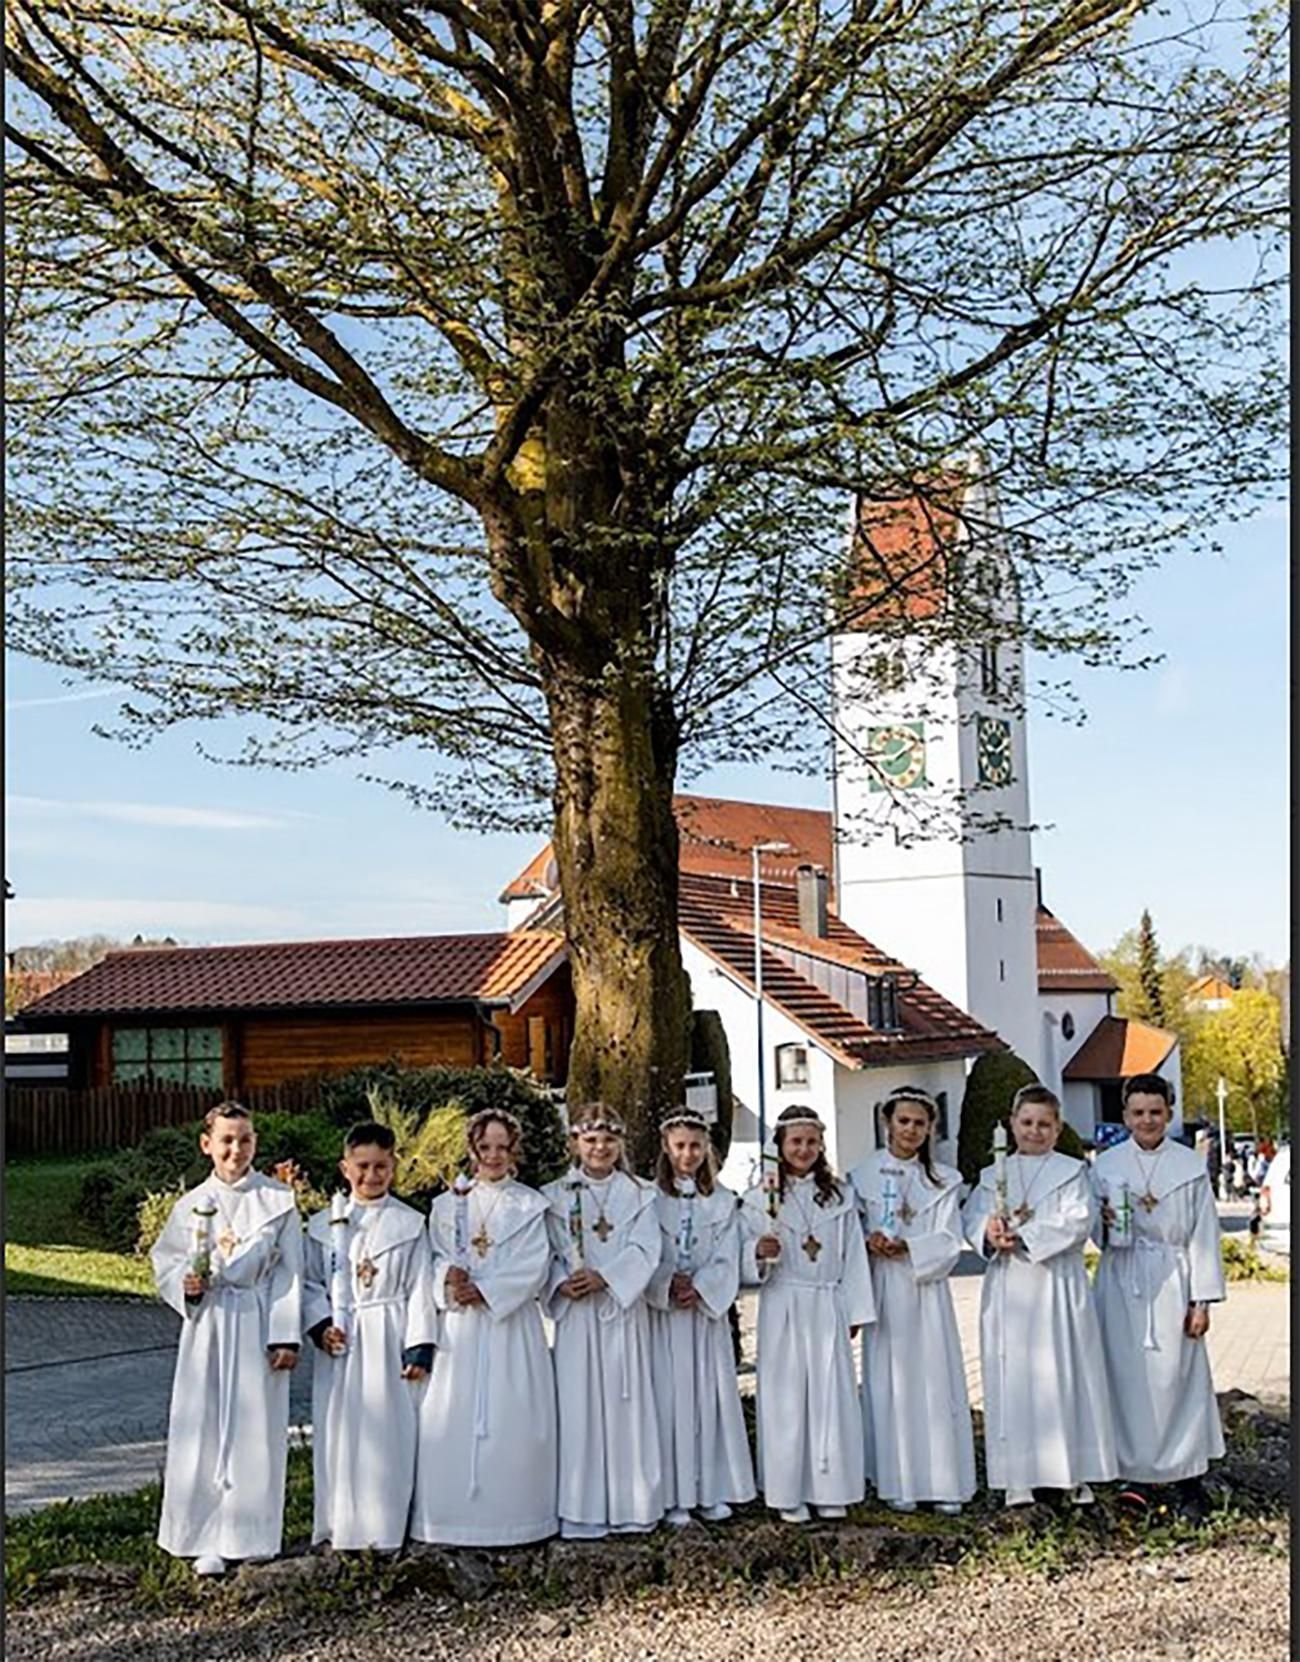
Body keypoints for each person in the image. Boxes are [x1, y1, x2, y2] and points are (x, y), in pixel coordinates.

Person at [150, 1103, 302, 1576]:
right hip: (208, 1325)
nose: (236, 1149)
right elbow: (167, 1263)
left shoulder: (278, 1201)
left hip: (256, 1321)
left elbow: (290, 1273)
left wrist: (286, 1337)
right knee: (205, 1424)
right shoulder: (190, 1204)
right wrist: (184, 1286)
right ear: (207, 1144)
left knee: (255, 1428)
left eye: (246, 1139)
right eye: (227, 1140)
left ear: (255, 1142)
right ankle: (202, 1536)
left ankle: (250, 1533)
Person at [961, 1084, 1116, 1508]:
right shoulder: (994, 1174)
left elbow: (1078, 1220)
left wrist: (1024, 1235)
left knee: (1065, 1374)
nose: (1034, 1131)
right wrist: (988, 1233)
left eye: (1044, 1124)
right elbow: (972, 1217)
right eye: (1026, 1122)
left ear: (1057, 1127)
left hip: (1057, 1286)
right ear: (1012, 1124)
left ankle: (1073, 1472)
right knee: (1015, 1378)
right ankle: (1018, 1476)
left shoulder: (1072, 1171)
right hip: (1011, 1288)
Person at [411, 1109, 558, 1547]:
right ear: (472, 1149)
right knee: (450, 1414)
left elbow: (536, 1263)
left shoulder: (530, 1205)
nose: (493, 1155)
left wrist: (489, 1290)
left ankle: (518, 1517)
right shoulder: (446, 1204)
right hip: (460, 1331)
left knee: (511, 1415)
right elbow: (431, 1257)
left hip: (509, 1328)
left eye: (502, 1147)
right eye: (485, 1147)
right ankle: (451, 1519)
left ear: (514, 1150)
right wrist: (447, 1278)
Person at [1092, 1074, 1225, 1519]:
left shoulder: (1188, 1166)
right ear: (1125, 1115)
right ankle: (1134, 1476)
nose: (1146, 1120)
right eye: (1137, 1112)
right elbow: (1092, 1231)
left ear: (1168, 1114)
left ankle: (1187, 1477)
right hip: (1121, 1278)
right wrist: (1103, 1221)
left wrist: (1201, 1300)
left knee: (1178, 1377)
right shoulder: (1106, 1165)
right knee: (1126, 1376)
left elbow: (1204, 1235)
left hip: (1173, 1277)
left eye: (1155, 1112)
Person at [304, 1121, 437, 1553]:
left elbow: (420, 1286)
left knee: (390, 1430)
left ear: (394, 1166)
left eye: (381, 1166)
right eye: (362, 1167)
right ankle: (339, 1526)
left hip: (389, 1333)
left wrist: (418, 1345)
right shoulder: (324, 1225)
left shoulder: (411, 1223)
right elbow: (309, 1284)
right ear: (345, 1168)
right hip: (342, 1341)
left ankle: (386, 1527)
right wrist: (321, 1327)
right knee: (339, 1430)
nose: (371, 1176)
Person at [741, 1104, 874, 1525]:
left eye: (812, 1141)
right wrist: (756, 1255)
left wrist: (855, 1309)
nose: (804, 1149)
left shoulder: (839, 1195)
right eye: (795, 1141)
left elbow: (853, 1255)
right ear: (779, 1145)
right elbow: (741, 1253)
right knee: (786, 1396)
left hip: (826, 1302)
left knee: (830, 1394)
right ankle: (787, 1490)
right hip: (784, 1300)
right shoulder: (760, 1198)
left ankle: (830, 1487)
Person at [848, 1086, 975, 1516]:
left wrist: (908, 1248)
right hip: (884, 1289)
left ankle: (942, 1481)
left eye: (920, 1123)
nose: (910, 1130)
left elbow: (948, 1238)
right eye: (903, 1121)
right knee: (890, 1382)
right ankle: (896, 1479)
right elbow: (848, 1239)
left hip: (926, 1290)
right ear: (888, 1123)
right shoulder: (861, 1177)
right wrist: (868, 1242)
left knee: (933, 1380)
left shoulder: (944, 1181)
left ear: (930, 1129)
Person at [542, 1108, 663, 1539]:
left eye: (609, 1140)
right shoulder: (553, 1196)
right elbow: (546, 1253)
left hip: (621, 1312)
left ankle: (634, 1507)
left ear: (621, 1144)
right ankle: (582, 1510)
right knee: (580, 1409)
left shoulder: (642, 1194)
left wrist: (606, 1277)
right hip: (577, 1314)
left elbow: (647, 1248)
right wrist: (560, 1281)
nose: (600, 1148)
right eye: (591, 1140)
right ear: (575, 1142)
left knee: (627, 1407)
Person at [647, 1108, 756, 1526]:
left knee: (708, 1399)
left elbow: (729, 1254)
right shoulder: (648, 1198)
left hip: (704, 1317)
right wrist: (665, 1282)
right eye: (680, 1146)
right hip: (666, 1318)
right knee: (668, 1400)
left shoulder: (723, 1201)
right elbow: (641, 1249)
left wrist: (704, 1286)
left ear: (706, 1147)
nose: (688, 1154)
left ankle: (710, 1489)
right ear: (666, 1147)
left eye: (695, 1146)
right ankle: (673, 1495)